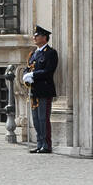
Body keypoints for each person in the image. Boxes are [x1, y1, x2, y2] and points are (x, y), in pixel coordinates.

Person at [22, 24, 59, 154]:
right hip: (34, 91)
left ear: (44, 37)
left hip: (44, 90)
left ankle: (46, 145)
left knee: (43, 118)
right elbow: (28, 67)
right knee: (36, 119)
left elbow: (49, 71)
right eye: (34, 35)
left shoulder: (50, 53)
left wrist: (33, 75)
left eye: (36, 35)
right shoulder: (33, 53)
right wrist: (26, 76)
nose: (34, 37)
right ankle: (39, 143)